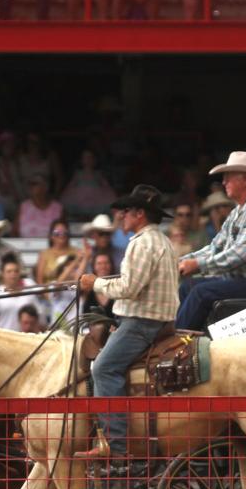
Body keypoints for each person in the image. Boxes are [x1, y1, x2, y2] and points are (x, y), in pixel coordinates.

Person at [76, 183, 179, 466]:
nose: (122, 217)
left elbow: (130, 287)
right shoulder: (162, 241)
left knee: (104, 368)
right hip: (154, 319)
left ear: (140, 214)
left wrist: (94, 282)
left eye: (126, 212)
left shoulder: (142, 243)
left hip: (141, 323)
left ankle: (115, 443)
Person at [176, 153, 246, 331]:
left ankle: (176, 346)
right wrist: (181, 261)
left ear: (244, 179)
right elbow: (215, 247)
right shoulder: (239, 210)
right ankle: (191, 347)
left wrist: (197, 264)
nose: (223, 183)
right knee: (188, 287)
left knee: (200, 292)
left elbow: (240, 255)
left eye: (228, 178)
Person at [60, 149, 116, 218]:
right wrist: (67, 191)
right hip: (79, 196)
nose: (88, 160)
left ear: (94, 160)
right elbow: (71, 184)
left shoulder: (97, 174)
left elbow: (105, 184)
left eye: (90, 157)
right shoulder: (78, 173)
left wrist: (108, 190)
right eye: (85, 158)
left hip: (96, 196)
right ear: (81, 160)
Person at [0, 255, 32, 330]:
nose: (13, 274)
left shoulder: (29, 290)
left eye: (16, 271)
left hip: (25, 337)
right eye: (9, 271)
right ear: (2, 274)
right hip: (4, 337)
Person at [35, 220, 78, 285]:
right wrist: (46, 295)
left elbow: (79, 277)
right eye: (57, 233)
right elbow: (39, 280)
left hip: (70, 291)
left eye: (64, 232)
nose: (61, 235)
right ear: (51, 235)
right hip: (48, 291)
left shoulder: (76, 252)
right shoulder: (44, 254)